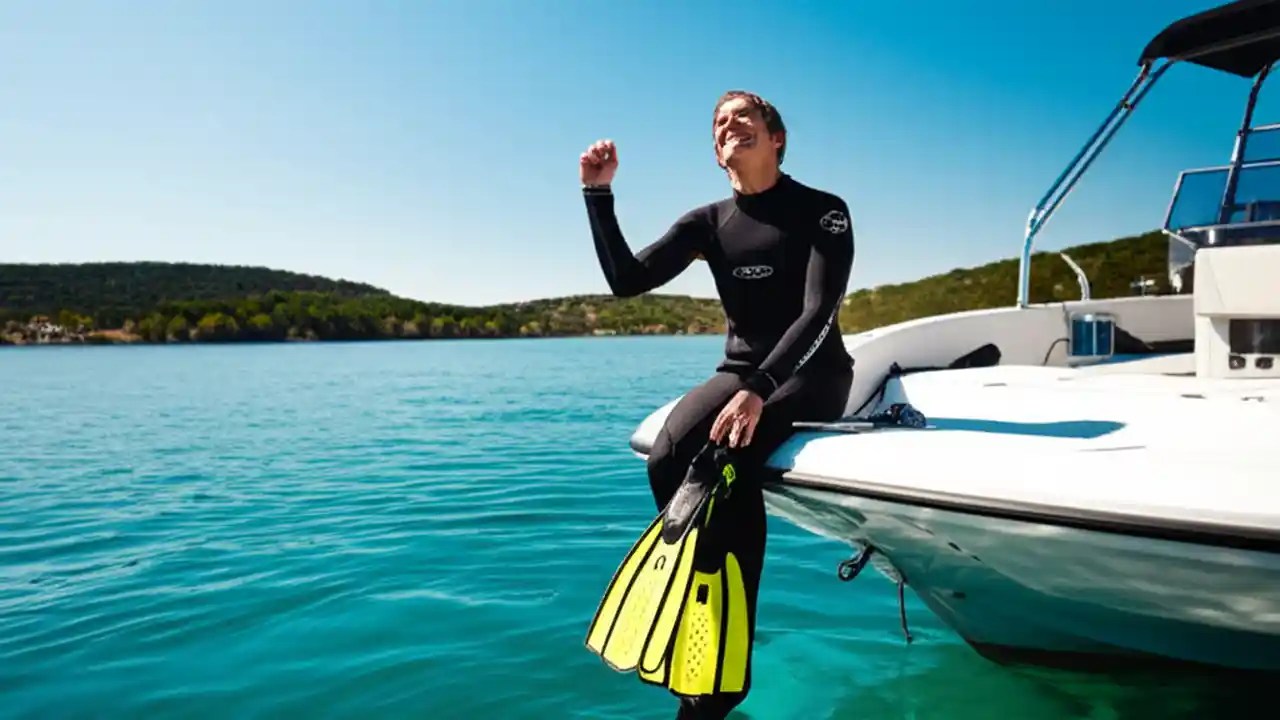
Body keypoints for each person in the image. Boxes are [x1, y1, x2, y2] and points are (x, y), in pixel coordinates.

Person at [579, 90, 856, 719]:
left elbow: (819, 313)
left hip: (810, 372)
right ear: (717, 150)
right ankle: (703, 600)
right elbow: (626, 280)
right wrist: (598, 195)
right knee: (667, 456)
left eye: (744, 117)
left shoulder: (823, 211)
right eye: (719, 123)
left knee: (724, 461)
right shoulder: (708, 222)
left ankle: (725, 673)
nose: (730, 125)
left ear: (776, 137)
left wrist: (759, 391)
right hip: (739, 370)